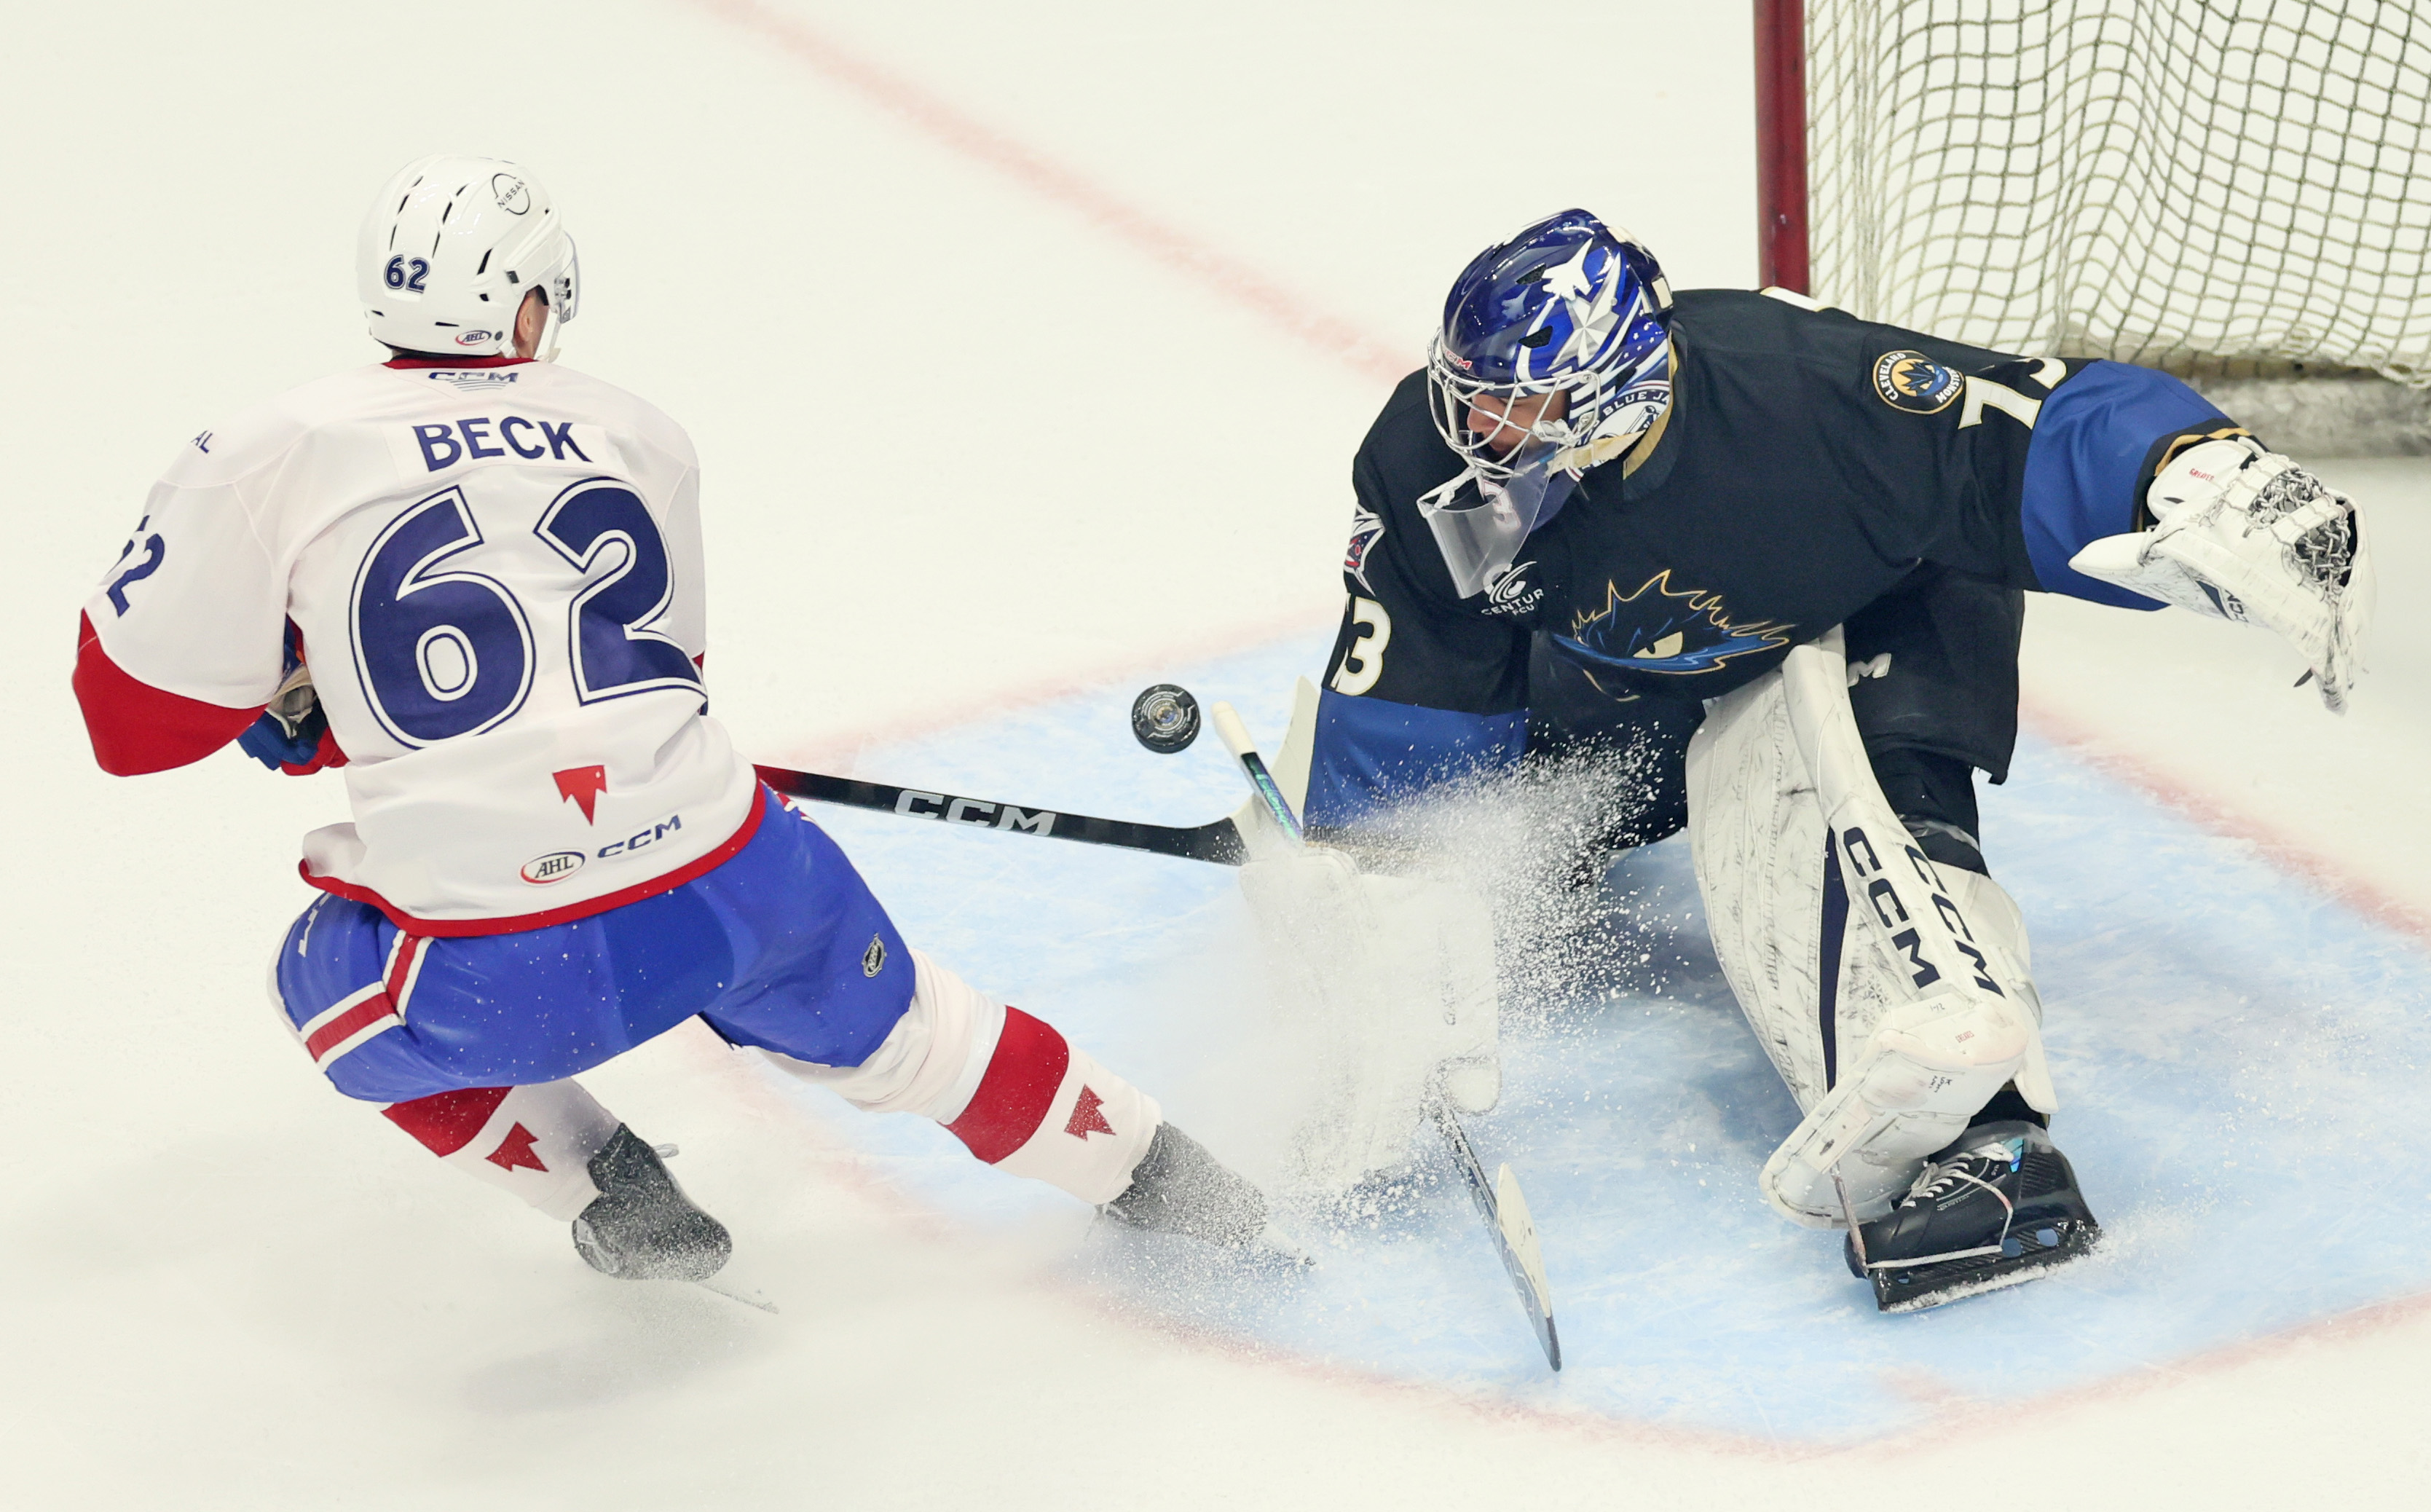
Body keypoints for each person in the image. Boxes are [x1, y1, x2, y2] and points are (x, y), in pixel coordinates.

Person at [72, 155, 1266, 1286]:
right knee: (916, 1035)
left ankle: (614, 1191)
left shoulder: (264, 451)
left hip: (508, 962)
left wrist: (309, 702)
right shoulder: (638, 429)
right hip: (732, 875)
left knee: (316, 982)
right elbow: (659, 671)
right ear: (534, 299)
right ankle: (1182, 1184)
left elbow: (131, 730)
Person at [1303, 208, 2370, 1308]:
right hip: (1659, 659)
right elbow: (1419, 663)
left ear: (1621, 388)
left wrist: (2189, 469)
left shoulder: (1806, 397)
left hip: (1876, 613)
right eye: (1470, 389)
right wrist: (1385, 875)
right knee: (1539, 816)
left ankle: (1996, 1145)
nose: (1482, 423)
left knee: (1864, 825)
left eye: (1523, 402)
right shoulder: (1430, 460)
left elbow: (2026, 421)